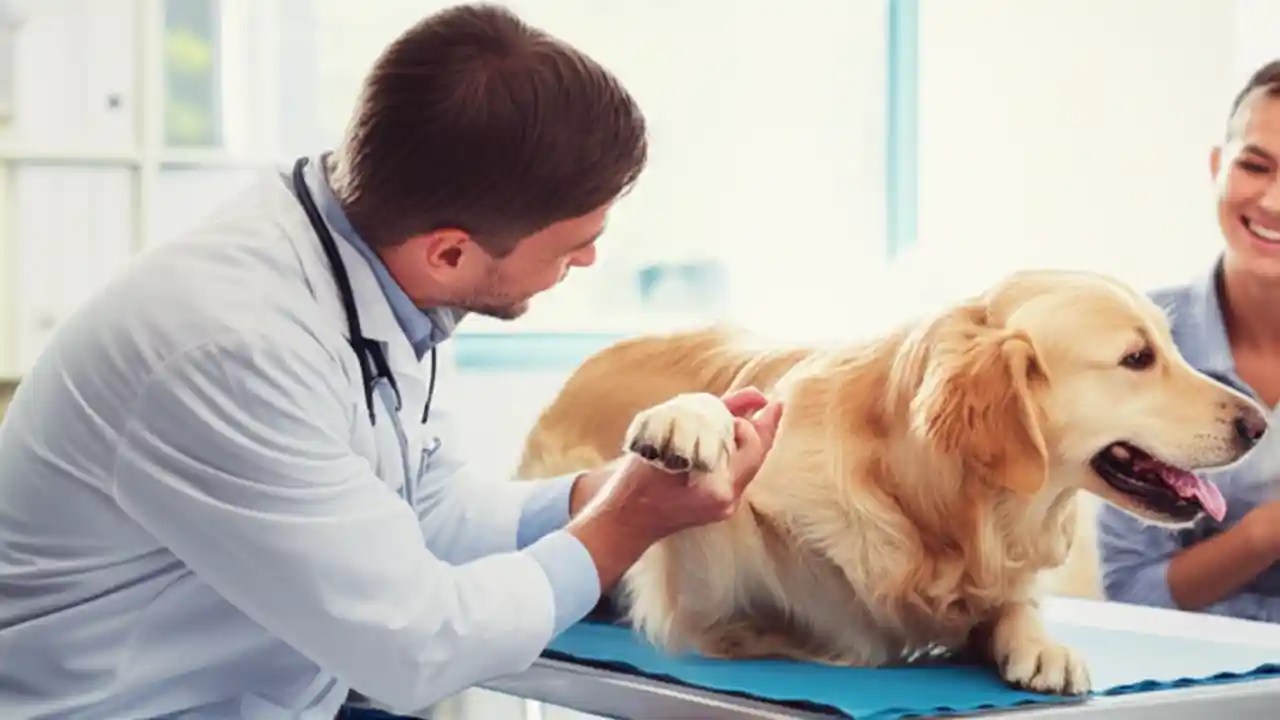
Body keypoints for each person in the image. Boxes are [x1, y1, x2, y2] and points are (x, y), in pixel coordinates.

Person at [0, 5, 784, 718]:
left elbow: (427, 517)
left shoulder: (366, 273)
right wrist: (628, 522)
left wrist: (607, 487)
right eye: (573, 244)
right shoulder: (235, 348)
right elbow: (417, 646)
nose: (587, 261)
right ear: (449, 252)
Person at [1097, 60, 1280, 621]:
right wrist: (1264, 534)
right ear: (1218, 165)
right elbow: (1134, 591)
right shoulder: (1137, 345)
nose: (1273, 202)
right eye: (1255, 166)